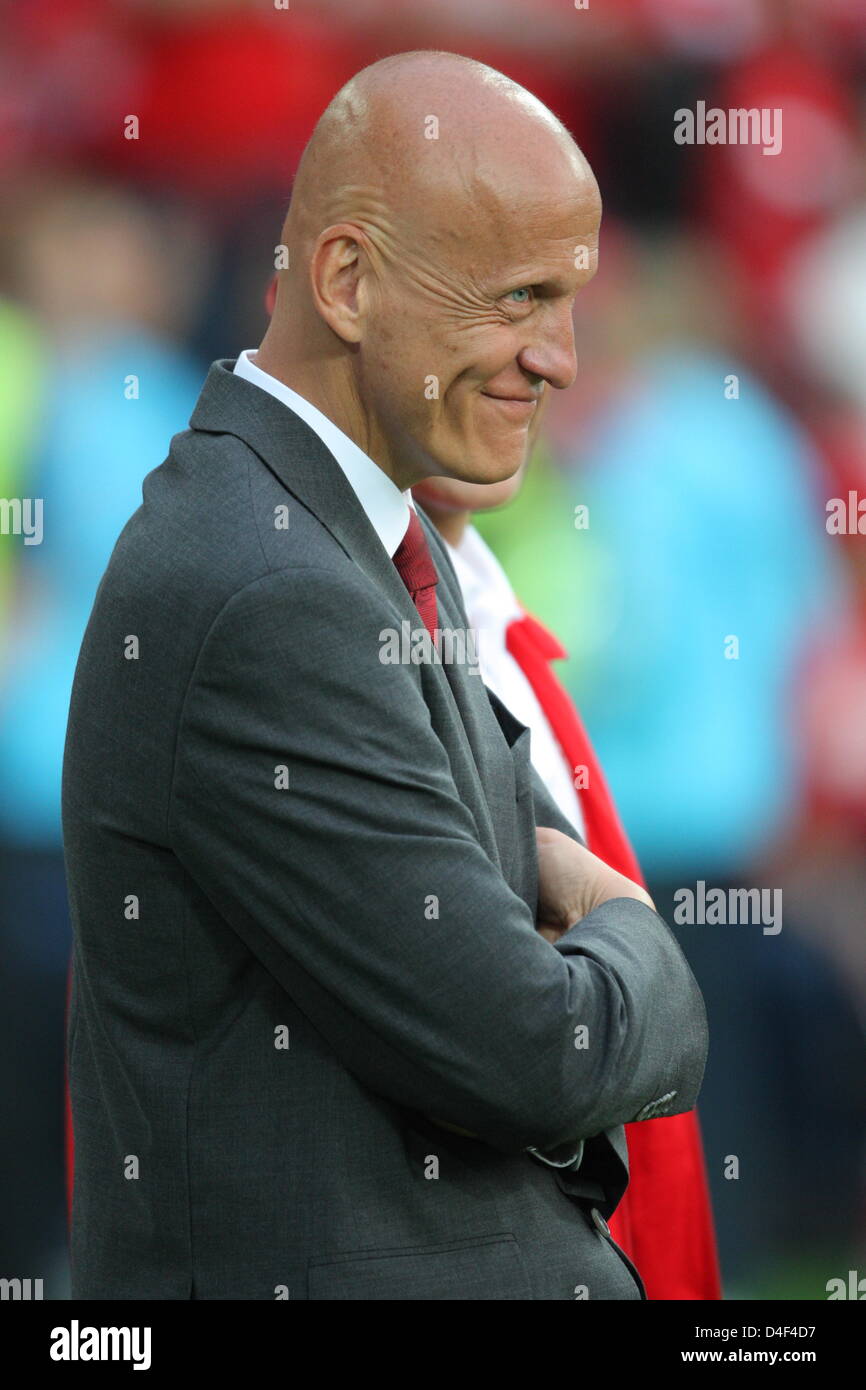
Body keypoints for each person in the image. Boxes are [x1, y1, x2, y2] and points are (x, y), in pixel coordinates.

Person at [62, 49, 708, 1300]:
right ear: (348, 281)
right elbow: (531, 1052)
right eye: (518, 297)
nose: (559, 358)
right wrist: (639, 934)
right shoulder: (271, 587)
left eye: (568, 302)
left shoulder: (346, 541)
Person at [414, 467, 721, 1300]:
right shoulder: (342, 626)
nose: (550, 358)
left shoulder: (493, 614)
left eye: (557, 324)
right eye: (491, 321)